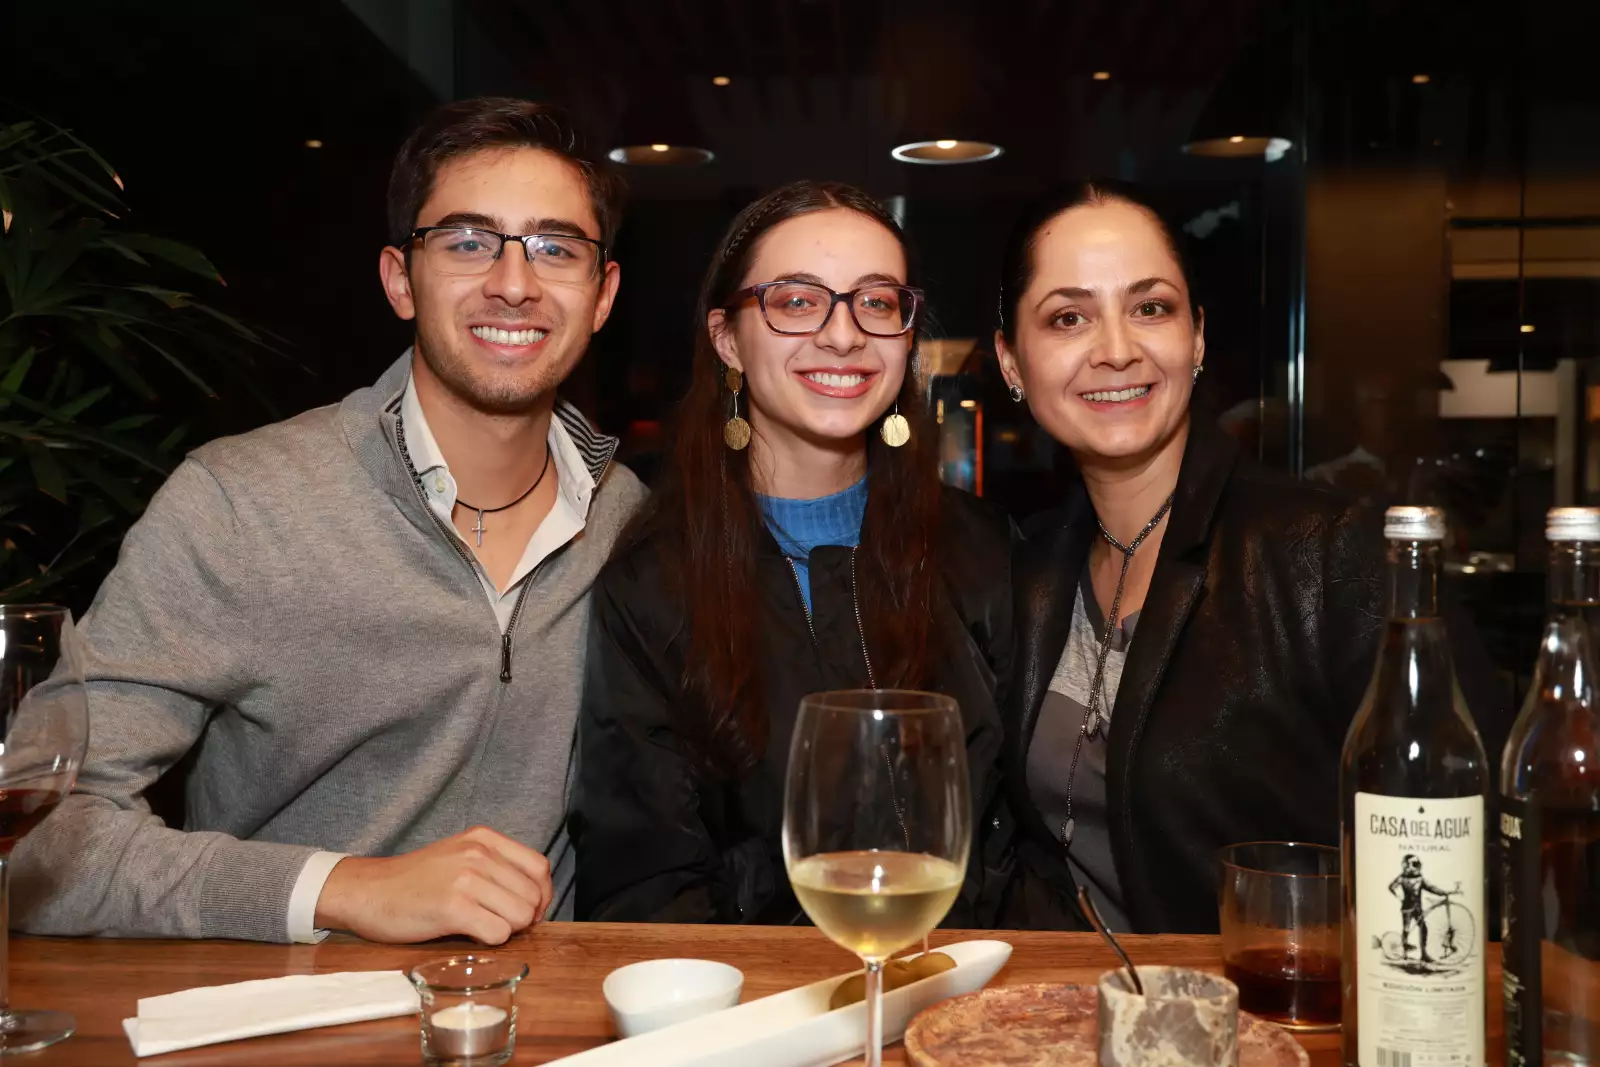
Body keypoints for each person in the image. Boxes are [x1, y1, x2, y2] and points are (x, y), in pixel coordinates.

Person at [10, 98, 647, 944]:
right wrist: (338, 887)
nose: (514, 281)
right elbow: (36, 838)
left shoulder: (627, 521)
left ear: (600, 295)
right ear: (398, 279)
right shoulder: (242, 504)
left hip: (543, 1018)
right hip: (284, 1014)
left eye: (555, 248)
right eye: (466, 241)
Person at [569, 180, 1013, 924]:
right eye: (798, 300)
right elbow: (646, 885)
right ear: (726, 339)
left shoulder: (987, 556)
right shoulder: (652, 586)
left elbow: (1026, 849)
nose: (844, 335)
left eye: (876, 302)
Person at [992, 180, 1395, 934]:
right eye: (1069, 316)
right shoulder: (1030, 563)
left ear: (1198, 338)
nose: (1117, 349)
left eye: (1151, 308)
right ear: (1013, 362)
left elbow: (1467, 856)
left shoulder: (1333, 554)